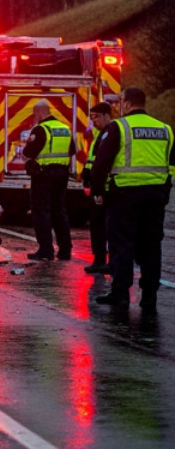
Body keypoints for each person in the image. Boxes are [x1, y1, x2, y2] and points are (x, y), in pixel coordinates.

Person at [89, 87, 172, 312]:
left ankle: (120, 293)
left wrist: (98, 191)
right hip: (155, 196)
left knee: (122, 244)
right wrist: (165, 192)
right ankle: (149, 296)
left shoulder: (119, 127)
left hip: (125, 196)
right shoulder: (165, 129)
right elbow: (170, 164)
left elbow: (101, 163)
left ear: (126, 103)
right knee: (151, 246)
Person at [21, 99, 73, 262]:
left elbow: (28, 152)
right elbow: (72, 150)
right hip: (62, 173)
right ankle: (65, 250)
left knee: (41, 211)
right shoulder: (65, 129)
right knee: (59, 210)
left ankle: (46, 249)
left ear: (39, 112)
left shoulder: (41, 129)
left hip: (44, 175)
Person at [83, 102, 114, 275]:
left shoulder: (110, 132)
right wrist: (86, 176)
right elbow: (93, 160)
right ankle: (100, 260)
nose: (93, 121)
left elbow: (102, 163)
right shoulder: (101, 134)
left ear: (106, 115)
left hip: (105, 188)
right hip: (99, 186)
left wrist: (97, 189)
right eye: (91, 117)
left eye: (95, 117)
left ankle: (104, 261)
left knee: (103, 226)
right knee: (97, 225)